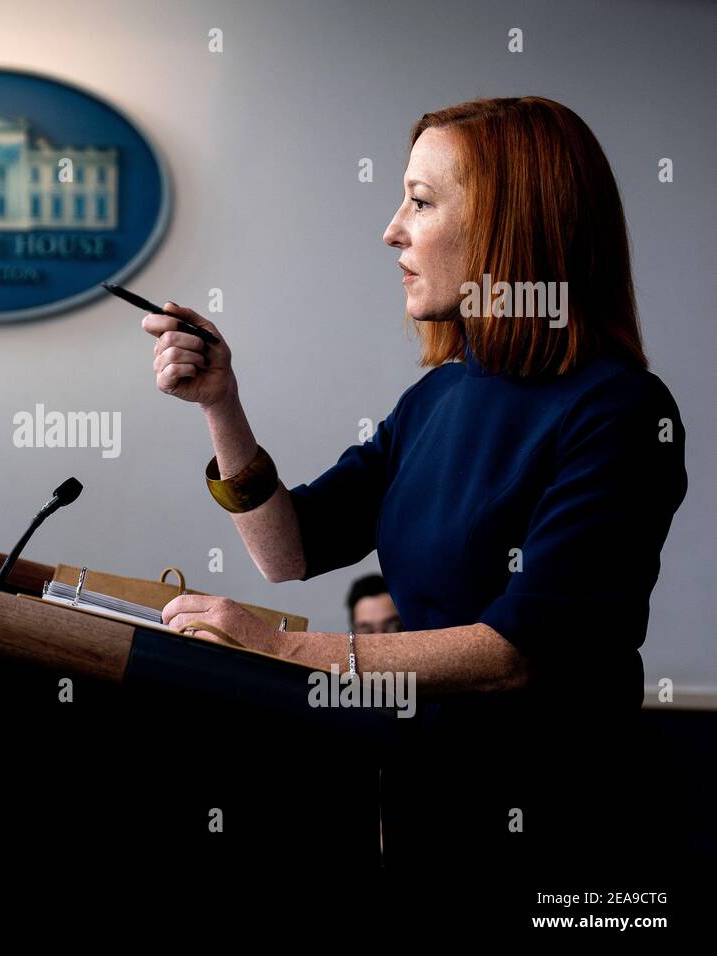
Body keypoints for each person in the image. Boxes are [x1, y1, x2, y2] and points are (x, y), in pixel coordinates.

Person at [144, 97, 687, 867]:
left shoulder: (621, 411)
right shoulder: (435, 397)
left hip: (564, 827)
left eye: (421, 202)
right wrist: (221, 405)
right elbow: (289, 549)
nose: (391, 228)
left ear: (511, 224)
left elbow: (514, 655)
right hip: (426, 800)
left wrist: (280, 646)